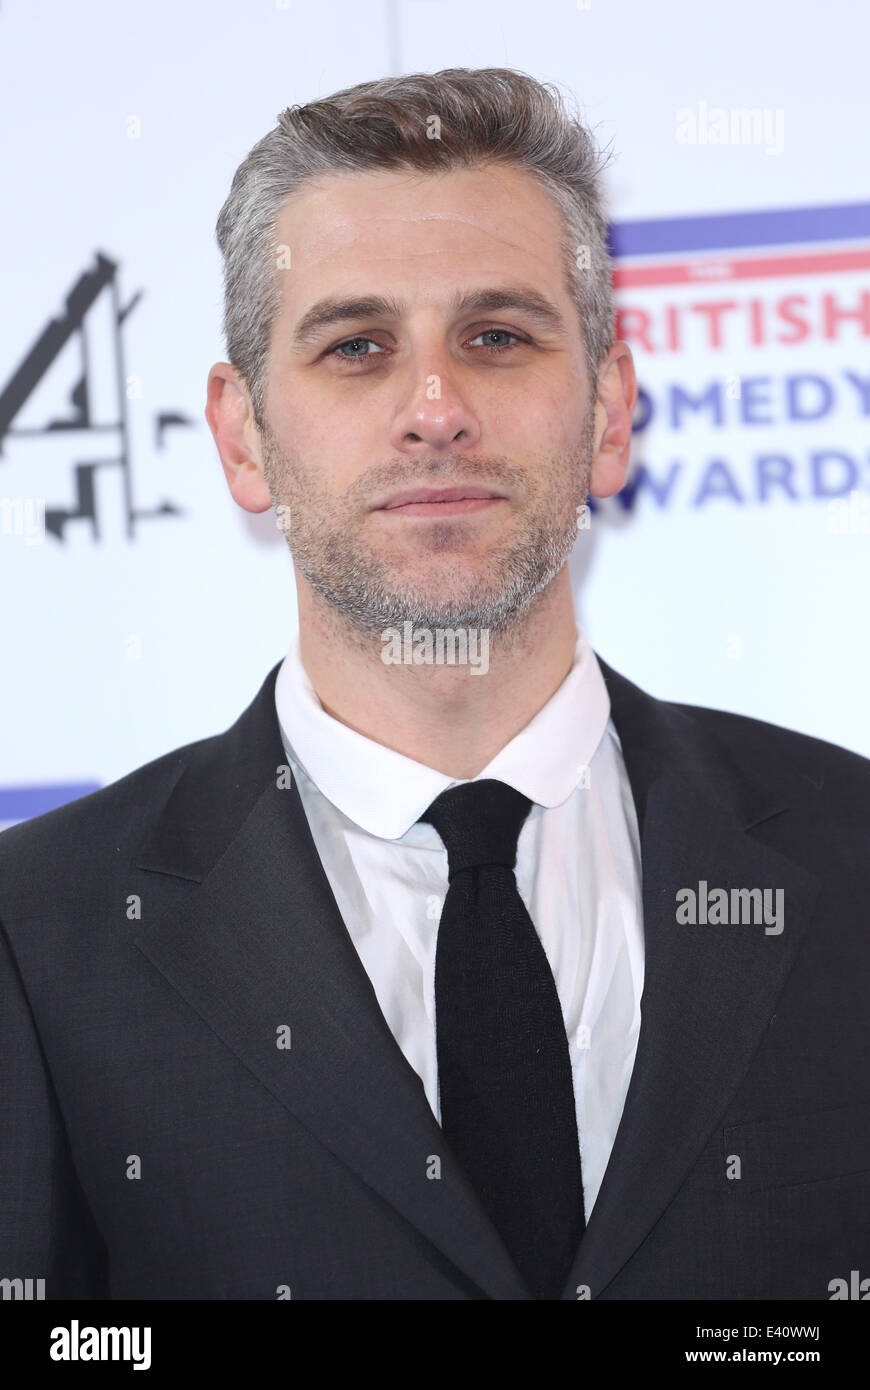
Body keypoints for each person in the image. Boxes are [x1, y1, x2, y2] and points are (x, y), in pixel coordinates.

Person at [1, 66, 868, 1302]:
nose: (434, 410)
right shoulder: (41, 937)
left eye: (497, 336)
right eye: (356, 347)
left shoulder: (851, 854)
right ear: (244, 436)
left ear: (611, 413)